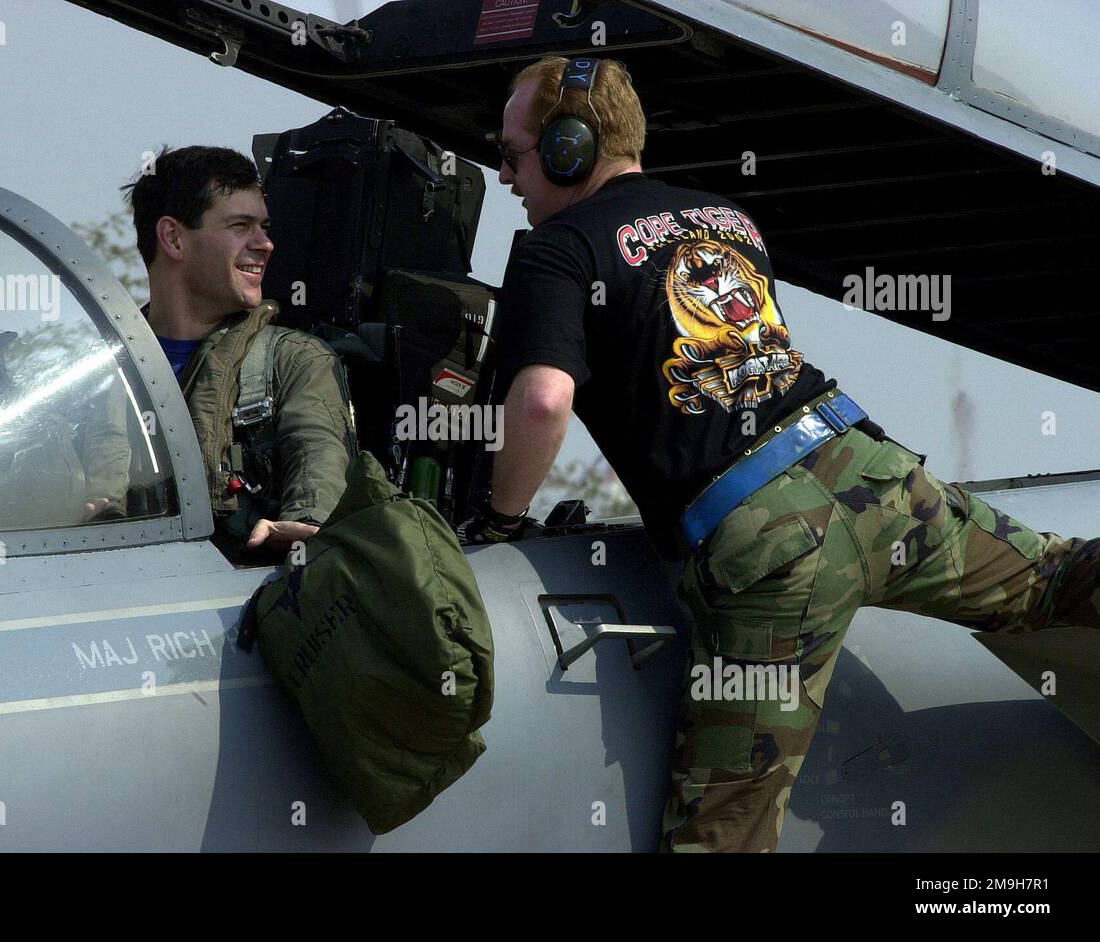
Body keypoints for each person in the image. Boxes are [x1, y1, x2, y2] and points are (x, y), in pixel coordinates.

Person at [460, 55, 1100, 852]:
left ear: (568, 149)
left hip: (771, 550)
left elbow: (544, 398)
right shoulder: (729, 220)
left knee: (721, 833)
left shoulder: (556, 249)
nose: (506, 176)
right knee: (1058, 580)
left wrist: (498, 517)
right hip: (871, 470)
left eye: (512, 153)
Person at [119, 145, 356, 556]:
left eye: (264, 226)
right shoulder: (101, 370)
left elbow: (316, 452)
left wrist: (306, 523)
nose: (265, 244)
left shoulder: (293, 362)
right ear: (174, 238)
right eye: (241, 226)